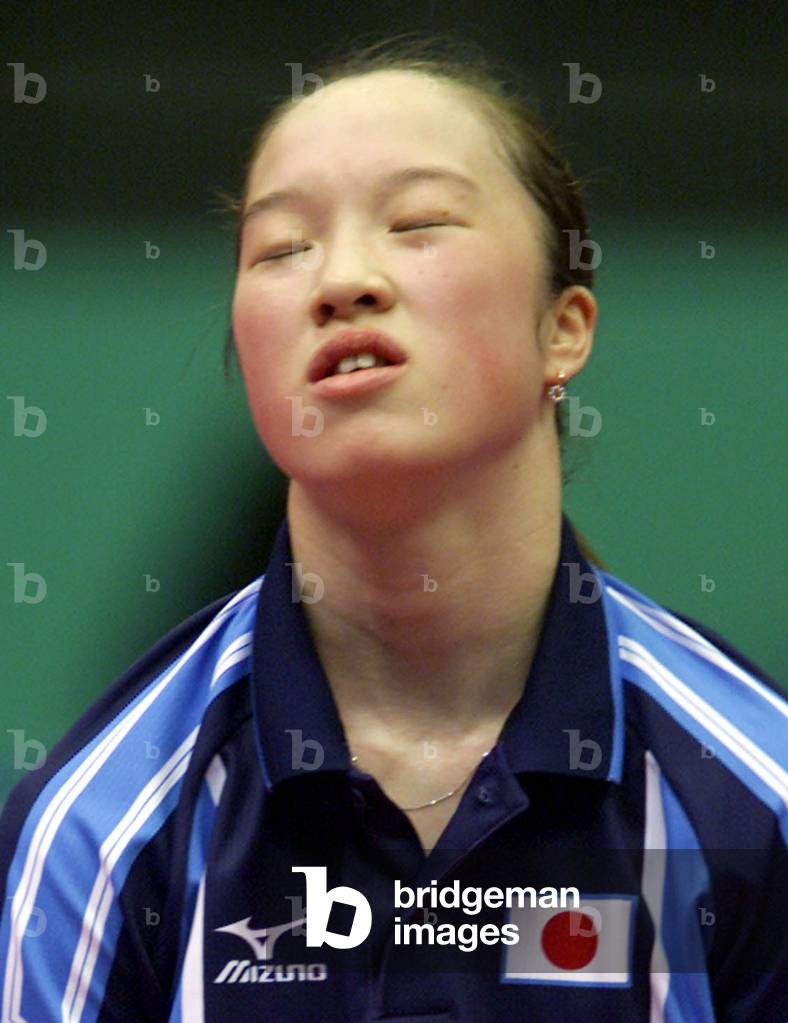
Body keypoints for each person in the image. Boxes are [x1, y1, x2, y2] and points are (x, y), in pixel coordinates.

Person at [1, 34, 786, 1023]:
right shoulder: (101, 827)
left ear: (564, 325)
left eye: (416, 222)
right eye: (282, 247)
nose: (341, 279)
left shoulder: (753, 799)